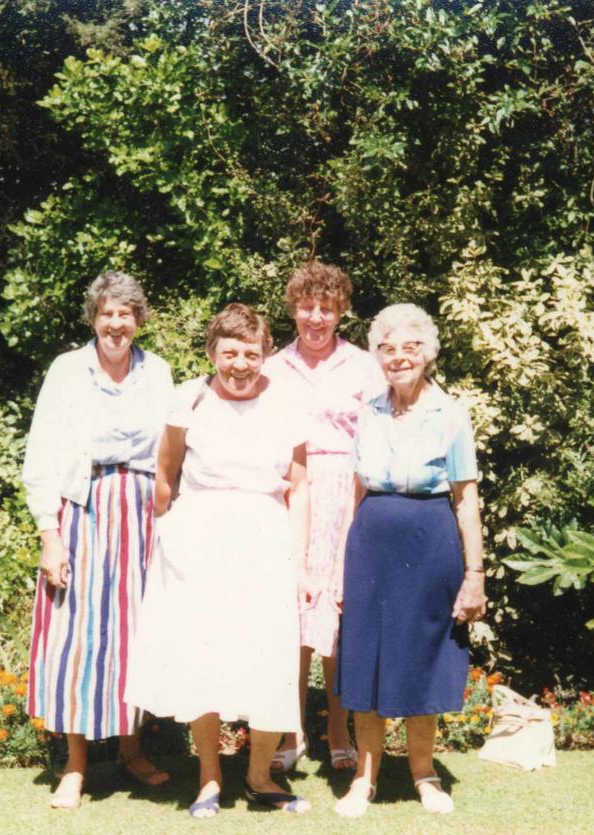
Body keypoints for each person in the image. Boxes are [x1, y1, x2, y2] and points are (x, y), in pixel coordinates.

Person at [125, 303, 313, 818]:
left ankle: (259, 776)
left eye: (250, 354)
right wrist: (166, 534)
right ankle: (209, 778)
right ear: (212, 353)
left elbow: (299, 487)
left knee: (269, 659)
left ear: (265, 355)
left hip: (265, 539)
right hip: (197, 543)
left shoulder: (288, 402)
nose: (239, 364)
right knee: (201, 659)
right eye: (229, 353)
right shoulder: (188, 398)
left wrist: (300, 563)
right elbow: (166, 476)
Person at [22, 271, 175, 809]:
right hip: (82, 511)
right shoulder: (67, 371)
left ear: (139, 320)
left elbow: (170, 454)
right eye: (107, 314)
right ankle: (77, 765)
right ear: (94, 318)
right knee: (78, 637)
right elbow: (40, 455)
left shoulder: (158, 372)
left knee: (136, 633)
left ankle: (133, 752)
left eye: (126, 314)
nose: (117, 324)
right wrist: (49, 535)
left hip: (141, 513)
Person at [331, 303, 486, 818]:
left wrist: (475, 574)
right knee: (368, 659)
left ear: (428, 353)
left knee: (422, 657)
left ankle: (424, 773)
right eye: (388, 348)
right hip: (371, 542)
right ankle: (364, 778)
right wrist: (338, 565)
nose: (399, 358)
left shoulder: (451, 413)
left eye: (410, 347)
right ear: (378, 356)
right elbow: (355, 489)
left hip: (429, 541)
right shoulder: (368, 410)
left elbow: (465, 497)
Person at [263, 261, 386, 773]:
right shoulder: (272, 367)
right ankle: (291, 733)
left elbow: (378, 438)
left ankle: (338, 729)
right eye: (308, 307)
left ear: (342, 311)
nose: (317, 317)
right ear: (293, 308)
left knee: (339, 611)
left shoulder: (363, 366)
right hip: (288, 492)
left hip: (346, 493)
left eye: (327, 308)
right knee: (290, 614)